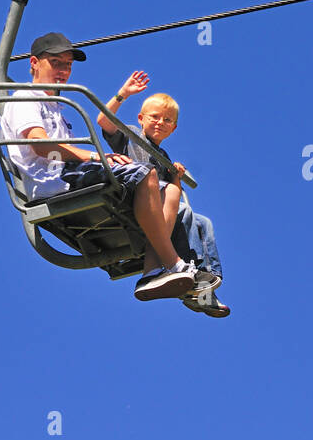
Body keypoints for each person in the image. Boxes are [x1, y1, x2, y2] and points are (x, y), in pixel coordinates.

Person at [0, 31, 196, 301]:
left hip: (67, 172)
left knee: (169, 192)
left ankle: (157, 272)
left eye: (68, 65)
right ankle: (171, 262)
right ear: (34, 63)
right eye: (56, 63)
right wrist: (94, 157)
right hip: (55, 180)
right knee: (141, 172)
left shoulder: (56, 106)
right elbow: (41, 146)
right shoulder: (24, 98)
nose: (64, 71)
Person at [97, 78, 231, 318]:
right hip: (135, 193)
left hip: (160, 200)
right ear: (141, 118)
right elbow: (104, 121)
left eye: (167, 120)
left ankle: (206, 281)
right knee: (185, 213)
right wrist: (122, 95)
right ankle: (183, 270)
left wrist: (175, 175)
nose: (160, 123)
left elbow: (173, 190)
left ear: (174, 128)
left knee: (204, 222)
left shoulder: (163, 156)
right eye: (154, 117)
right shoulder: (130, 135)